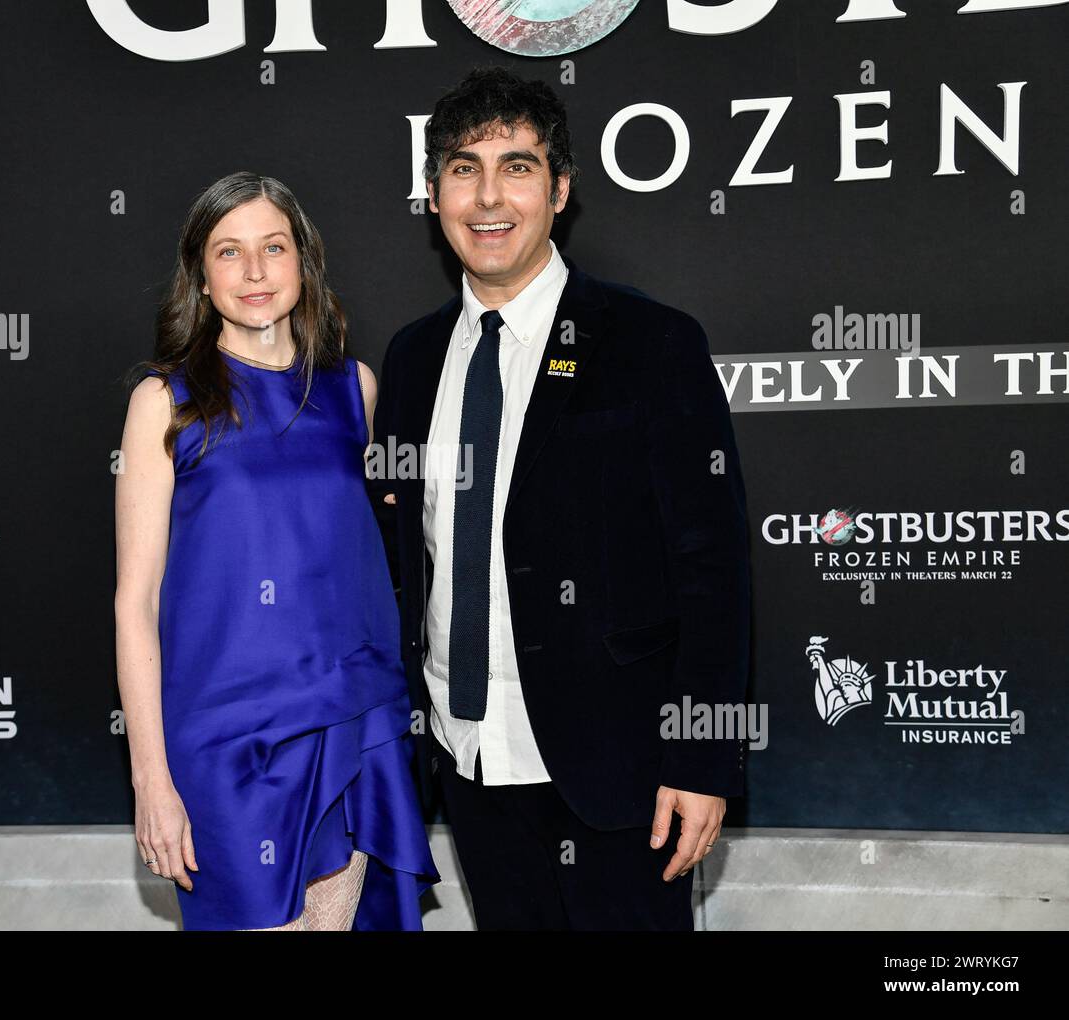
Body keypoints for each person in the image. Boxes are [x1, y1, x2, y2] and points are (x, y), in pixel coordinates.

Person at [366, 66, 752, 930]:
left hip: (619, 769)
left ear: (561, 189)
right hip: (466, 759)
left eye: (518, 166)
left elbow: (714, 567)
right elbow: (403, 555)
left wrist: (703, 759)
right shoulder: (413, 359)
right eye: (463, 169)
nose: (488, 197)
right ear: (434, 195)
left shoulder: (651, 342)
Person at [114, 171, 440, 930]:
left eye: (274, 247)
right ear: (201, 275)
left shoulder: (353, 389)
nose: (255, 271)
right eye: (229, 251)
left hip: (352, 715)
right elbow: (136, 601)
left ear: (304, 260)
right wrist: (150, 776)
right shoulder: (164, 401)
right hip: (225, 737)